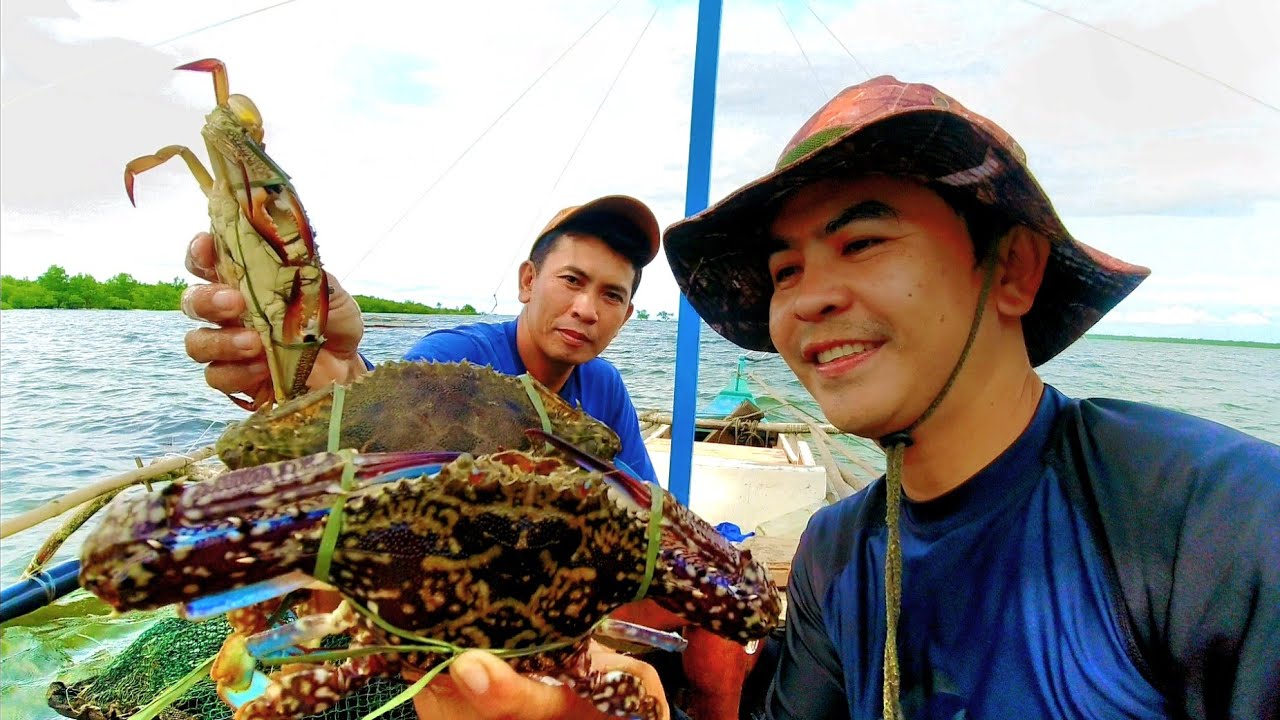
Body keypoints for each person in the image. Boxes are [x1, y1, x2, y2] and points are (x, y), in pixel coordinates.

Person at [655, 75, 1280, 719]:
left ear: (1012, 270)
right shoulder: (837, 554)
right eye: (786, 271)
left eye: (862, 243)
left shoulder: (1215, 522)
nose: (811, 298)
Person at [182, 194, 660, 483]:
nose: (586, 309)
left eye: (611, 295)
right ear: (528, 281)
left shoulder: (604, 388)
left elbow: (645, 504)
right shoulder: (456, 358)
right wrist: (329, 372)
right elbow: (374, 419)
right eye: (573, 280)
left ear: (627, 314)